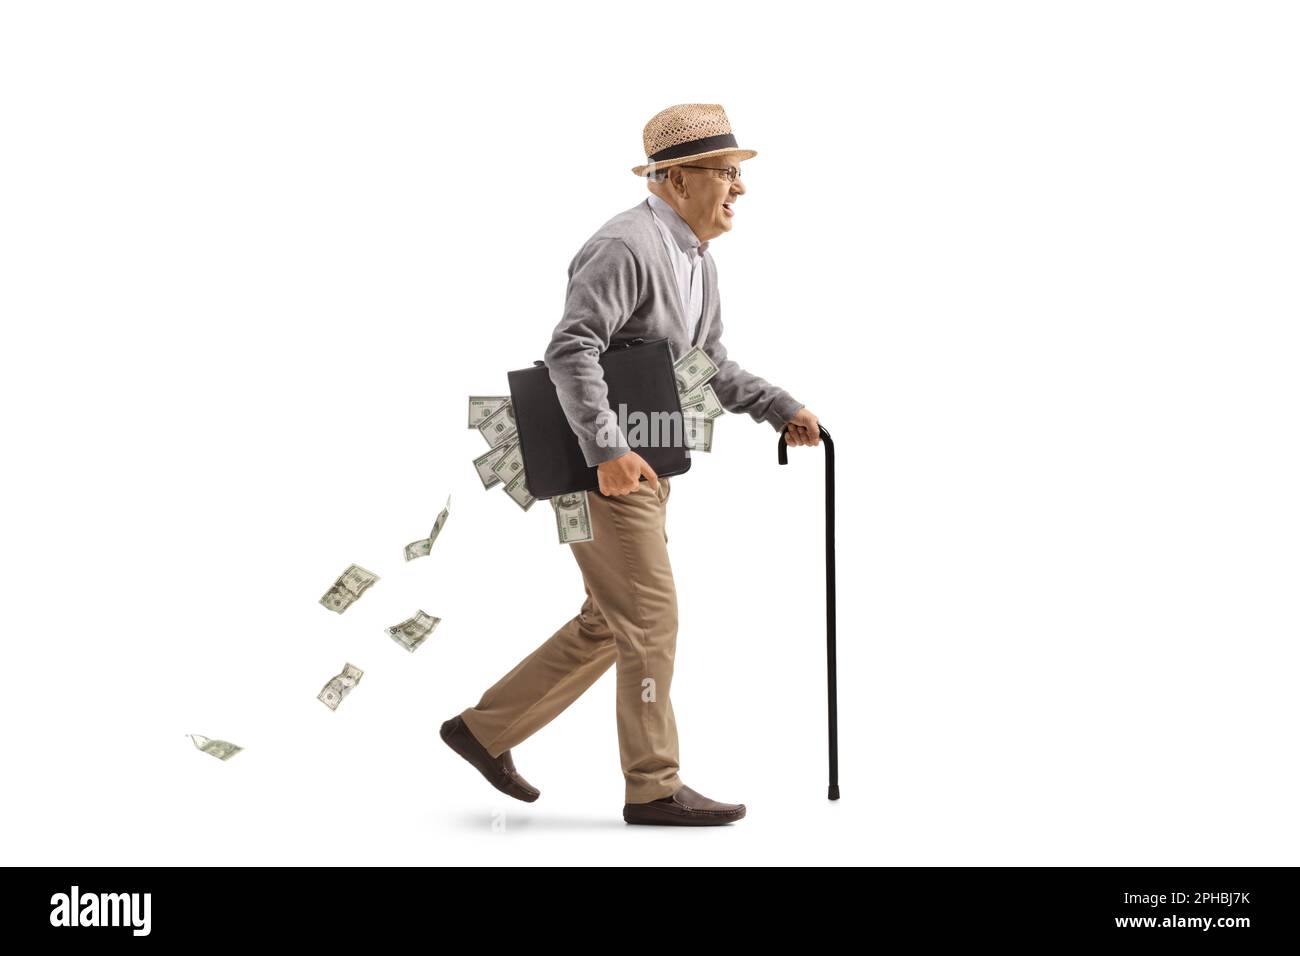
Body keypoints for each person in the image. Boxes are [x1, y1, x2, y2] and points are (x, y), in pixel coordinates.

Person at [442, 103, 820, 826]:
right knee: (650, 617)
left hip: (640, 460)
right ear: (675, 180)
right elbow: (571, 348)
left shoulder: (695, 261)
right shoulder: (625, 245)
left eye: (738, 174)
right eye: (726, 174)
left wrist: (778, 407)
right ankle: (653, 785)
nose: (738, 189)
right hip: (602, 466)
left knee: (610, 620)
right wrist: (608, 450)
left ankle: (483, 730)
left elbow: (705, 365)